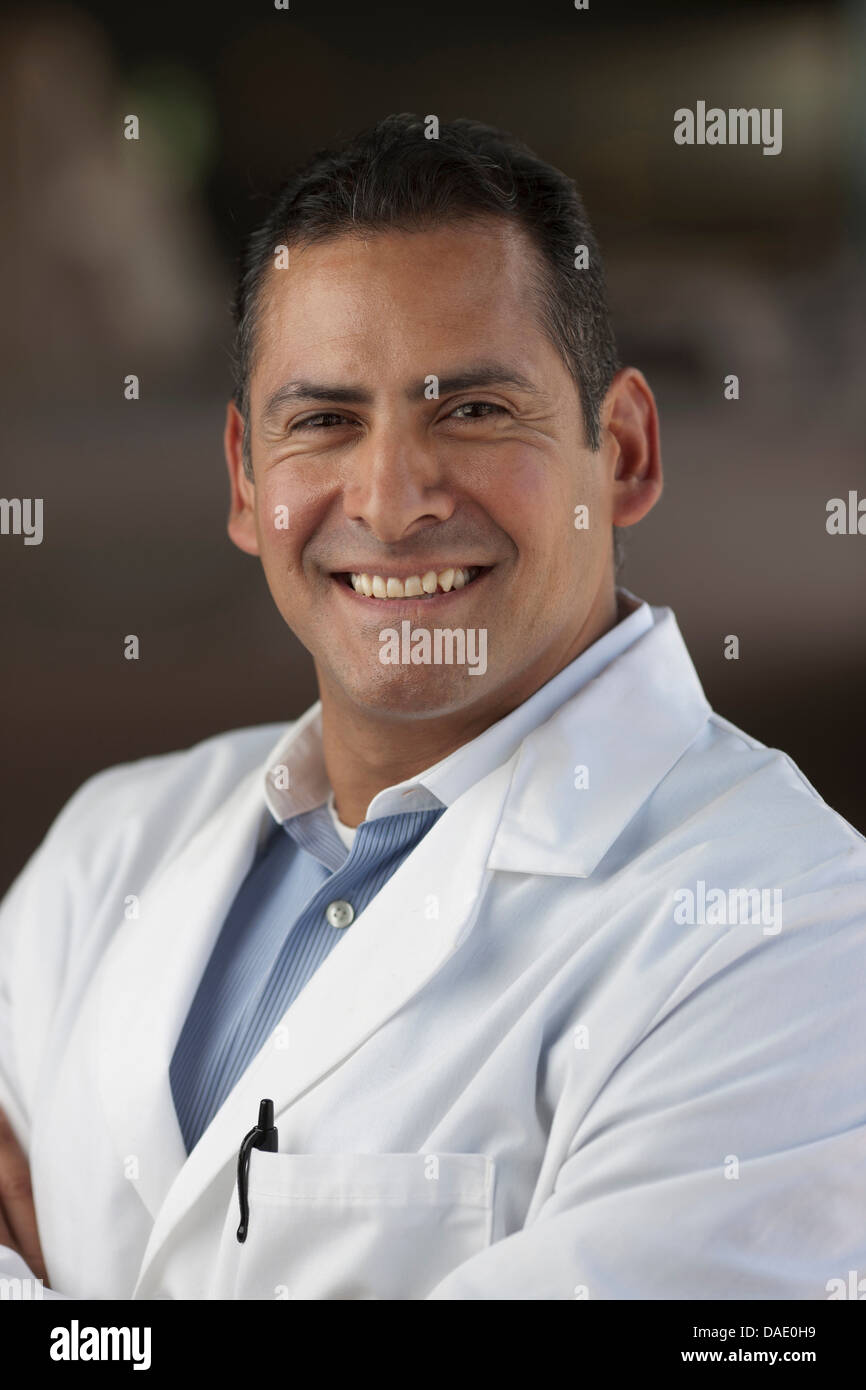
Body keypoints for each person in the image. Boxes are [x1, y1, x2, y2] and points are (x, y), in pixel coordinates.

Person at [1, 113, 864, 1302]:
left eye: (470, 410)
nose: (392, 498)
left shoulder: (795, 931)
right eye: (323, 421)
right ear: (248, 484)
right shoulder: (114, 845)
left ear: (619, 452)